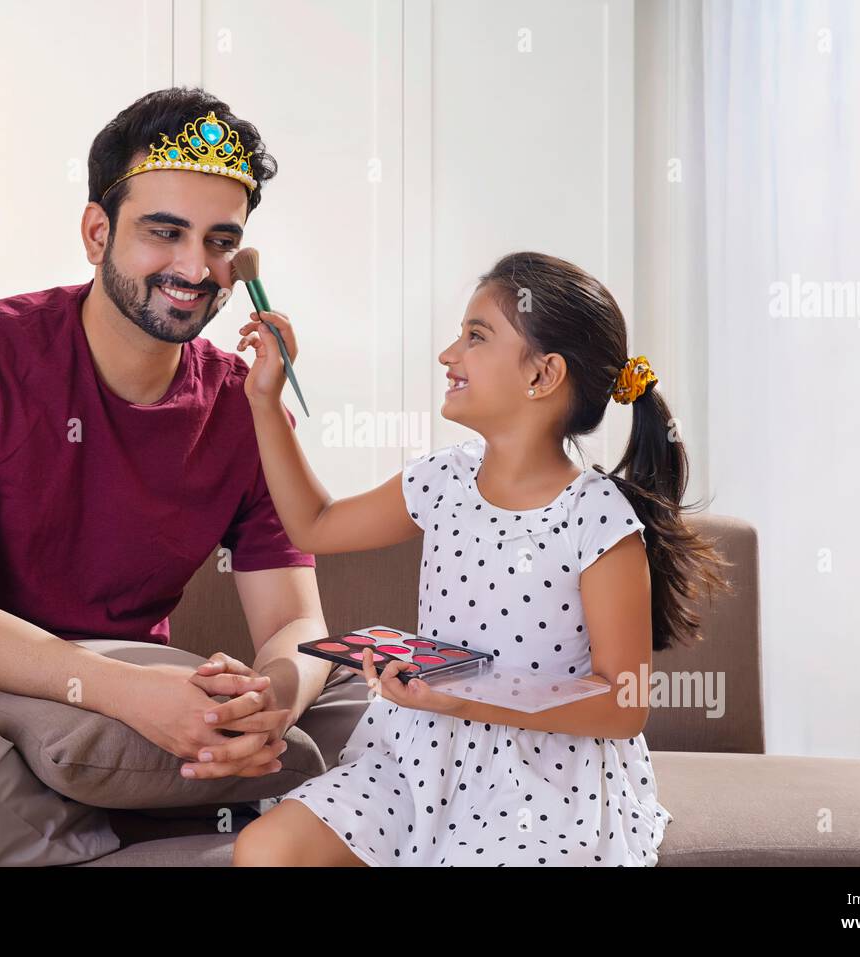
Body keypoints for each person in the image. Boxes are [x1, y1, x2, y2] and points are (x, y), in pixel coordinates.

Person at [0, 87, 369, 866]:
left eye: (220, 241)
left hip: (121, 722)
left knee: (376, 703)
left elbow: (296, 625)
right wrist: (126, 693)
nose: (195, 267)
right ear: (98, 231)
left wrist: (274, 700)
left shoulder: (244, 402)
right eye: (164, 232)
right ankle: (136, 843)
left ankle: (129, 824)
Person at [230, 251, 734, 865]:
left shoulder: (596, 518)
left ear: (543, 375)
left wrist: (462, 700)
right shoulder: (442, 478)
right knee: (266, 849)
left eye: (476, 337)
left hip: (543, 776)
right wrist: (264, 399)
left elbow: (623, 705)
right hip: (417, 756)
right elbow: (314, 525)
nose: (449, 355)